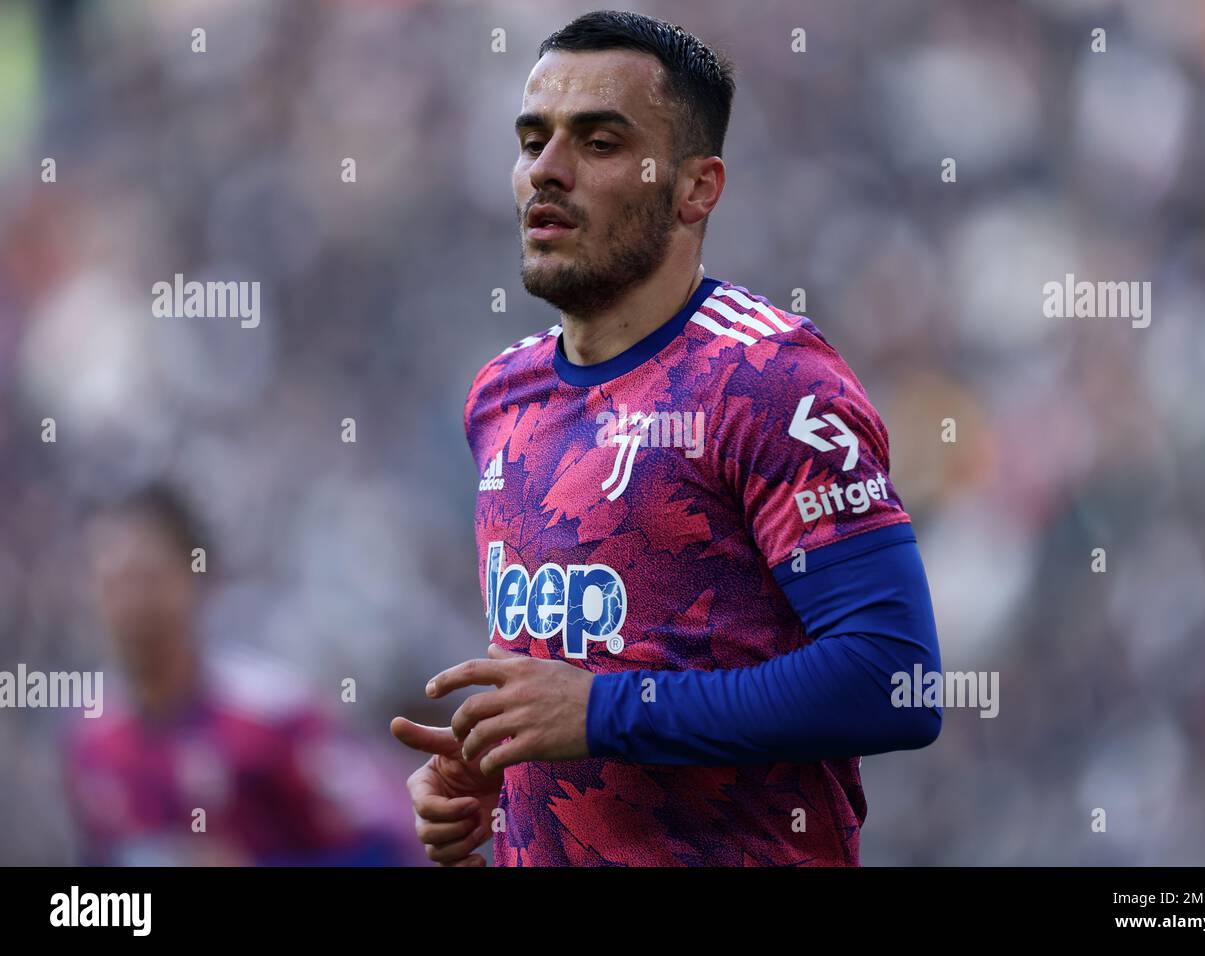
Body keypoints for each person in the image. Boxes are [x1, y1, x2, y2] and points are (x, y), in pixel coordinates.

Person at [392, 9, 942, 867]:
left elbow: (893, 681)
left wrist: (602, 715)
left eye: (599, 143)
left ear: (696, 188)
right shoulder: (500, 395)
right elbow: (577, 678)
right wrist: (491, 775)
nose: (547, 171)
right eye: (532, 140)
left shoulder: (769, 382)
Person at [64, 482, 418, 866]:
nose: (132, 604)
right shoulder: (91, 742)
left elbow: (393, 848)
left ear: (198, 579)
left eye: (148, 579)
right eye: (112, 584)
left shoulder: (275, 717)